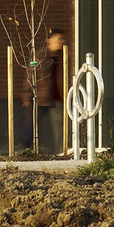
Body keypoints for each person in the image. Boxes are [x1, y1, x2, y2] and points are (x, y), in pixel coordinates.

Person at [34, 30, 66, 158]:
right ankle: (34, 151)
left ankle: (60, 151)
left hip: (57, 98)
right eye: (57, 39)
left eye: (61, 40)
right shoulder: (40, 56)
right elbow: (31, 73)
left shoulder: (63, 57)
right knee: (36, 126)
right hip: (42, 98)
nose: (60, 42)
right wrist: (27, 95)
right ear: (48, 41)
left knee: (59, 126)